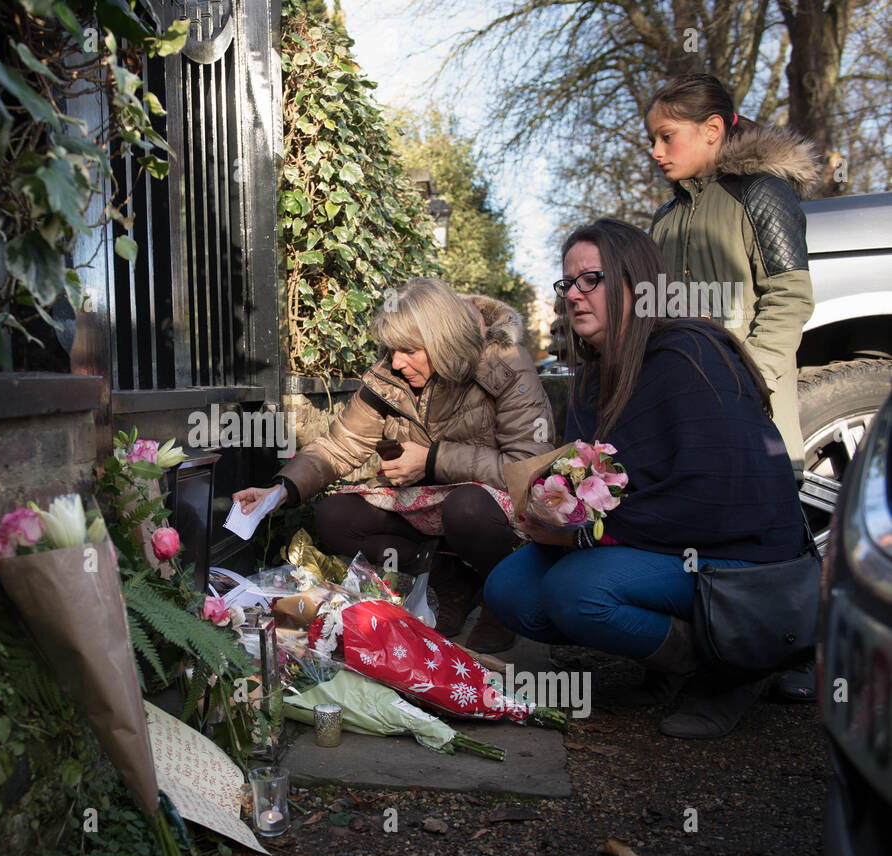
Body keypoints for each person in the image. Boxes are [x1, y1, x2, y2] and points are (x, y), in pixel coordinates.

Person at [483, 219, 810, 739]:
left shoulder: (690, 357)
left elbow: (715, 498)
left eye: (591, 280)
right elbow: (590, 477)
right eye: (567, 283)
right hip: (655, 538)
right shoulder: (594, 374)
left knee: (575, 589)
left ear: (637, 284)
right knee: (509, 590)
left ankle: (733, 668)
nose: (573, 295)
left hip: (741, 556)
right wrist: (551, 512)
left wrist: (585, 537)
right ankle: (670, 657)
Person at [233, 278, 554, 653]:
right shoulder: (389, 376)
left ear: (445, 341)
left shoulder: (505, 364)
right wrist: (282, 489)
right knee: (335, 516)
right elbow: (340, 444)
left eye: (409, 350)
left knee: (467, 508)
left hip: (486, 508)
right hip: (423, 504)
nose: (397, 362)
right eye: (393, 350)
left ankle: (501, 597)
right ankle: (452, 582)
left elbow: (527, 467)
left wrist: (433, 460)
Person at [645, 73, 823, 701]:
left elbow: (788, 296)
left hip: (756, 406)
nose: (656, 152)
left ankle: (806, 650)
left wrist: (755, 380)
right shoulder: (665, 218)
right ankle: (711, 650)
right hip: (686, 409)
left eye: (667, 136)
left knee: (781, 532)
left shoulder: (762, 194)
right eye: (652, 140)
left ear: (713, 129)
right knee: (701, 527)